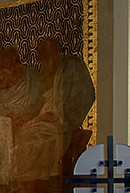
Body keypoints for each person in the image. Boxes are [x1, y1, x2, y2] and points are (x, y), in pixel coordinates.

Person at [12, 37, 95, 183]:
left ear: (54, 53)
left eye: (44, 55)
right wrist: (26, 117)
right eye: (40, 57)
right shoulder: (46, 73)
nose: (41, 60)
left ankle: (31, 182)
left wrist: (59, 117)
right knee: (15, 137)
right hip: (42, 120)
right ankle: (23, 183)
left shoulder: (72, 66)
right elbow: (39, 102)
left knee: (28, 141)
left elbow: (84, 96)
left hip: (60, 124)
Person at [0, 45, 43, 131]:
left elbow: (39, 102)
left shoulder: (31, 75)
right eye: (2, 61)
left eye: (9, 60)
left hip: (28, 122)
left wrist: (25, 118)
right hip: (3, 124)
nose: (6, 65)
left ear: (16, 60)